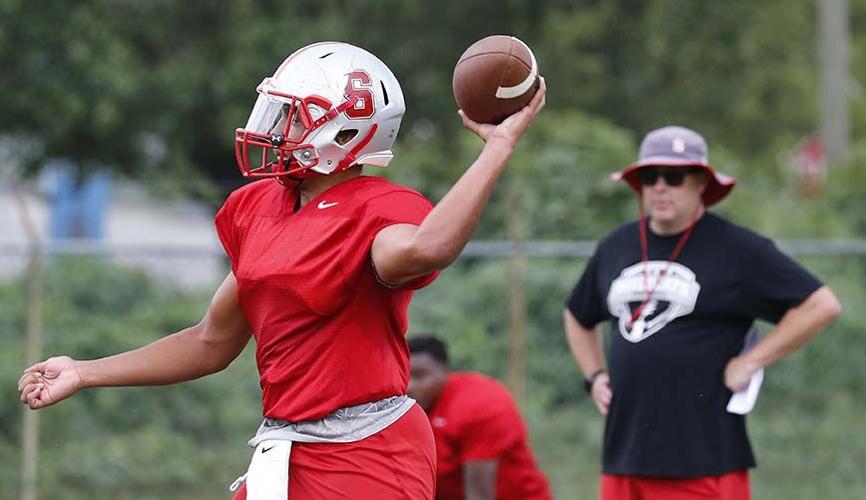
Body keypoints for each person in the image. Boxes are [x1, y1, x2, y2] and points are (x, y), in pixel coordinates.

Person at [17, 41, 546, 499]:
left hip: (368, 452)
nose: (275, 127)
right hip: (285, 446)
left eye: (295, 115)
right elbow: (210, 342)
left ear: (345, 132)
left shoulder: (378, 209)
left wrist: (498, 147)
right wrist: (85, 371)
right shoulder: (257, 207)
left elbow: (429, 248)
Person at [562, 125, 841, 500]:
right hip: (623, 456)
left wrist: (751, 362)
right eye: (650, 177)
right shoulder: (618, 245)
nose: (660, 186)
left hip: (702, 460)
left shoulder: (737, 249)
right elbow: (578, 314)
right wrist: (594, 376)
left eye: (674, 177)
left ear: (700, 185)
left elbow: (820, 305)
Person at [408, 335, 551, 500]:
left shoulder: (479, 405)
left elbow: (480, 494)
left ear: (445, 371)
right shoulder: (404, 406)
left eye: (420, 376)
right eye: (405, 376)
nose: (410, 386)